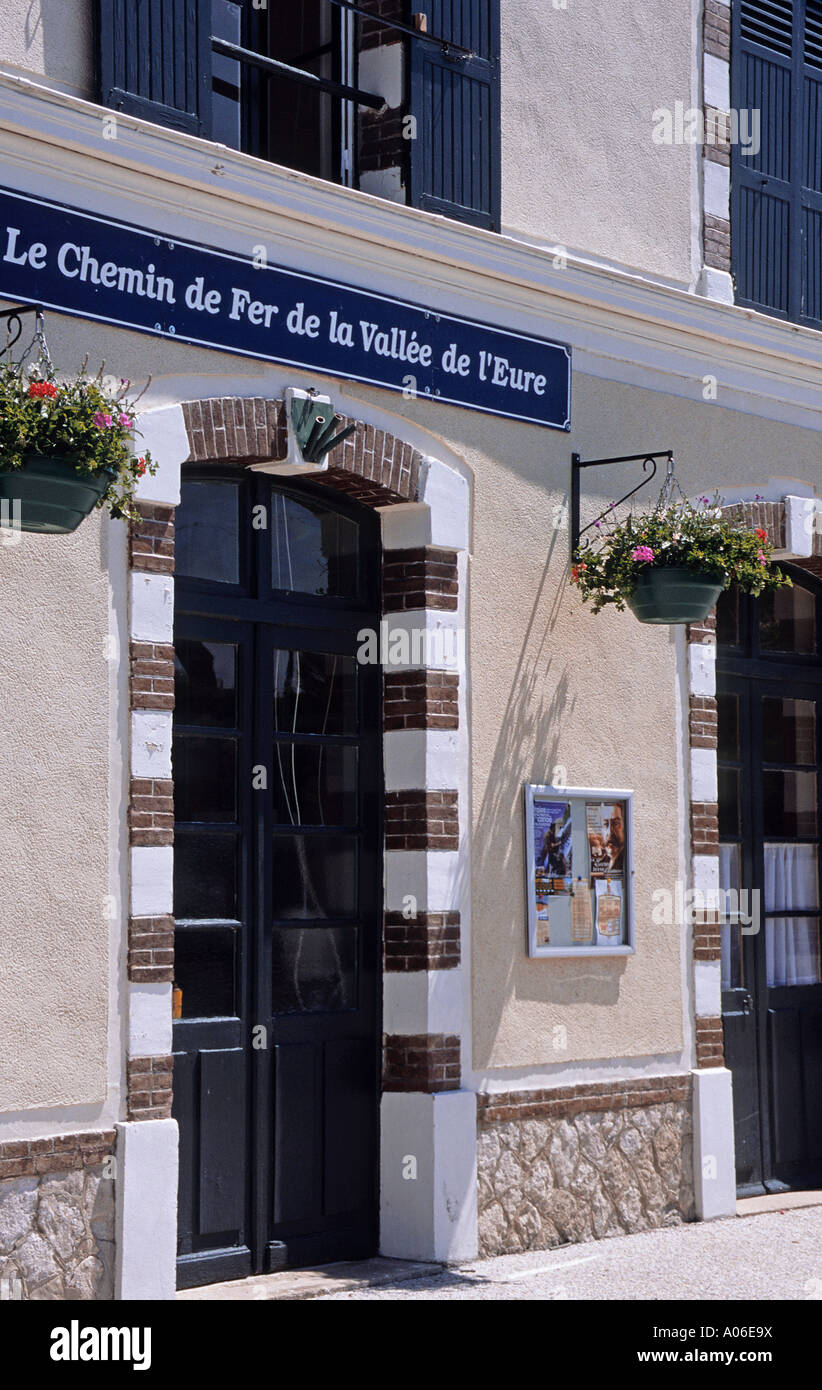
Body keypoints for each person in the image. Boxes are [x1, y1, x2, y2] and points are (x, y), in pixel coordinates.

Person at [604, 803, 626, 871]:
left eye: (615, 823)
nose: (610, 832)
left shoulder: (627, 861)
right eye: (605, 824)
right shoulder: (600, 863)